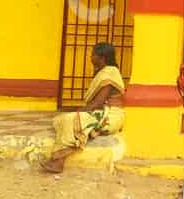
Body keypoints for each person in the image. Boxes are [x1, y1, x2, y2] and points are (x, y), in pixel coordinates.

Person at [41, 43, 126, 174]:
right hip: (100, 113)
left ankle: (58, 161)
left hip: (110, 116)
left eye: (93, 54)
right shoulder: (104, 72)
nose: (91, 57)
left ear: (101, 57)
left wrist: (79, 112)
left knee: (71, 119)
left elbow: (97, 103)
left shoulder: (110, 73)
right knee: (61, 119)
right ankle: (59, 157)